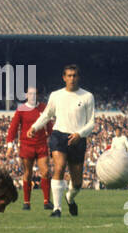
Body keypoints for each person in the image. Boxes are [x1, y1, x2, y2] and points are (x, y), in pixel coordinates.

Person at [30, 64, 95, 217]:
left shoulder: (87, 96)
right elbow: (47, 115)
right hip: (58, 135)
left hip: (78, 138)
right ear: (64, 77)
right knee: (59, 168)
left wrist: (80, 134)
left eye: (75, 75)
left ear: (78, 77)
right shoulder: (56, 95)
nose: (72, 78)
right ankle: (57, 209)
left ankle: (70, 198)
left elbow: (91, 122)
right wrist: (35, 127)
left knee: (77, 183)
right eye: (69, 75)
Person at [5, 86, 51, 210]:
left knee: (46, 171)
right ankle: (27, 202)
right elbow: (13, 128)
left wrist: (53, 140)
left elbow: (49, 126)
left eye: (35, 94)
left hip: (41, 145)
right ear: (26, 95)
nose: (32, 96)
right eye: (30, 94)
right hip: (27, 146)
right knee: (27, 173)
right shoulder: (21, 109)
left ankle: (47, 201)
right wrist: (10, 146)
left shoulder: (43, 108)